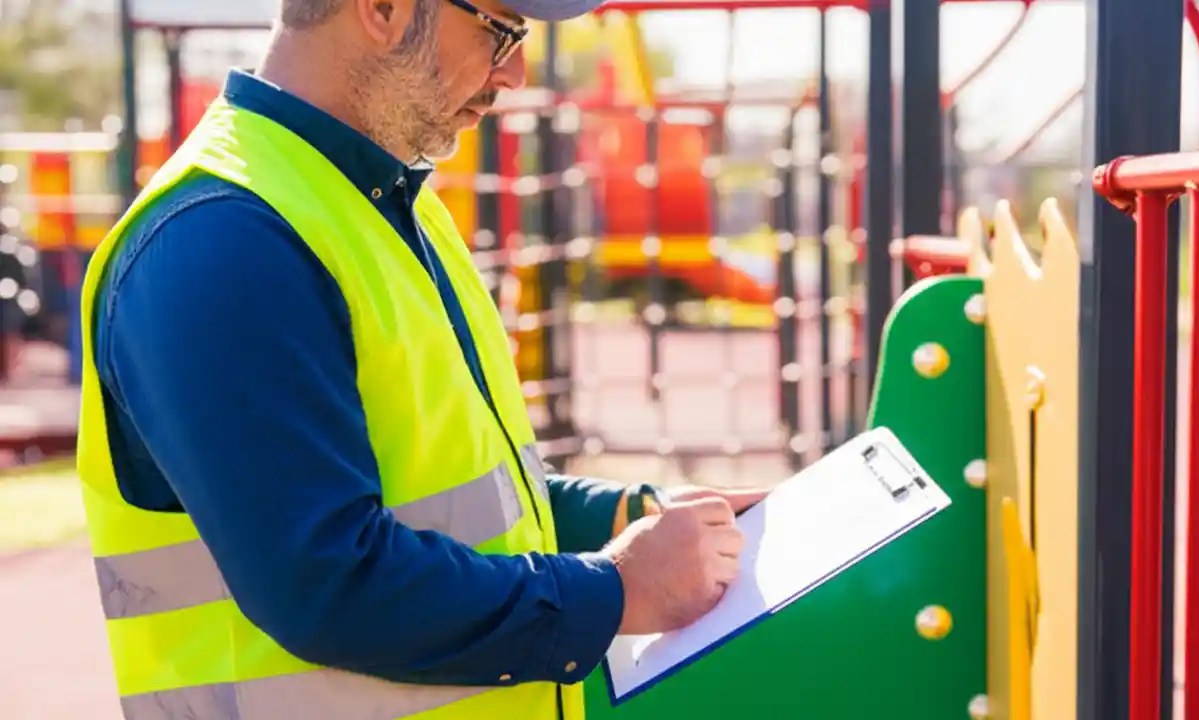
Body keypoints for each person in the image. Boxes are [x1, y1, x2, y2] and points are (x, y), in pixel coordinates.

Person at [75, 1, 766, 718]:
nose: (516, 71)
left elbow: (461, 494)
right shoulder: (222, 240)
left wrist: (633, 515)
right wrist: (619, 588)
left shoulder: (381, 202)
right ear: (383, 9)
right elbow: (331, 585)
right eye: (500, 31)